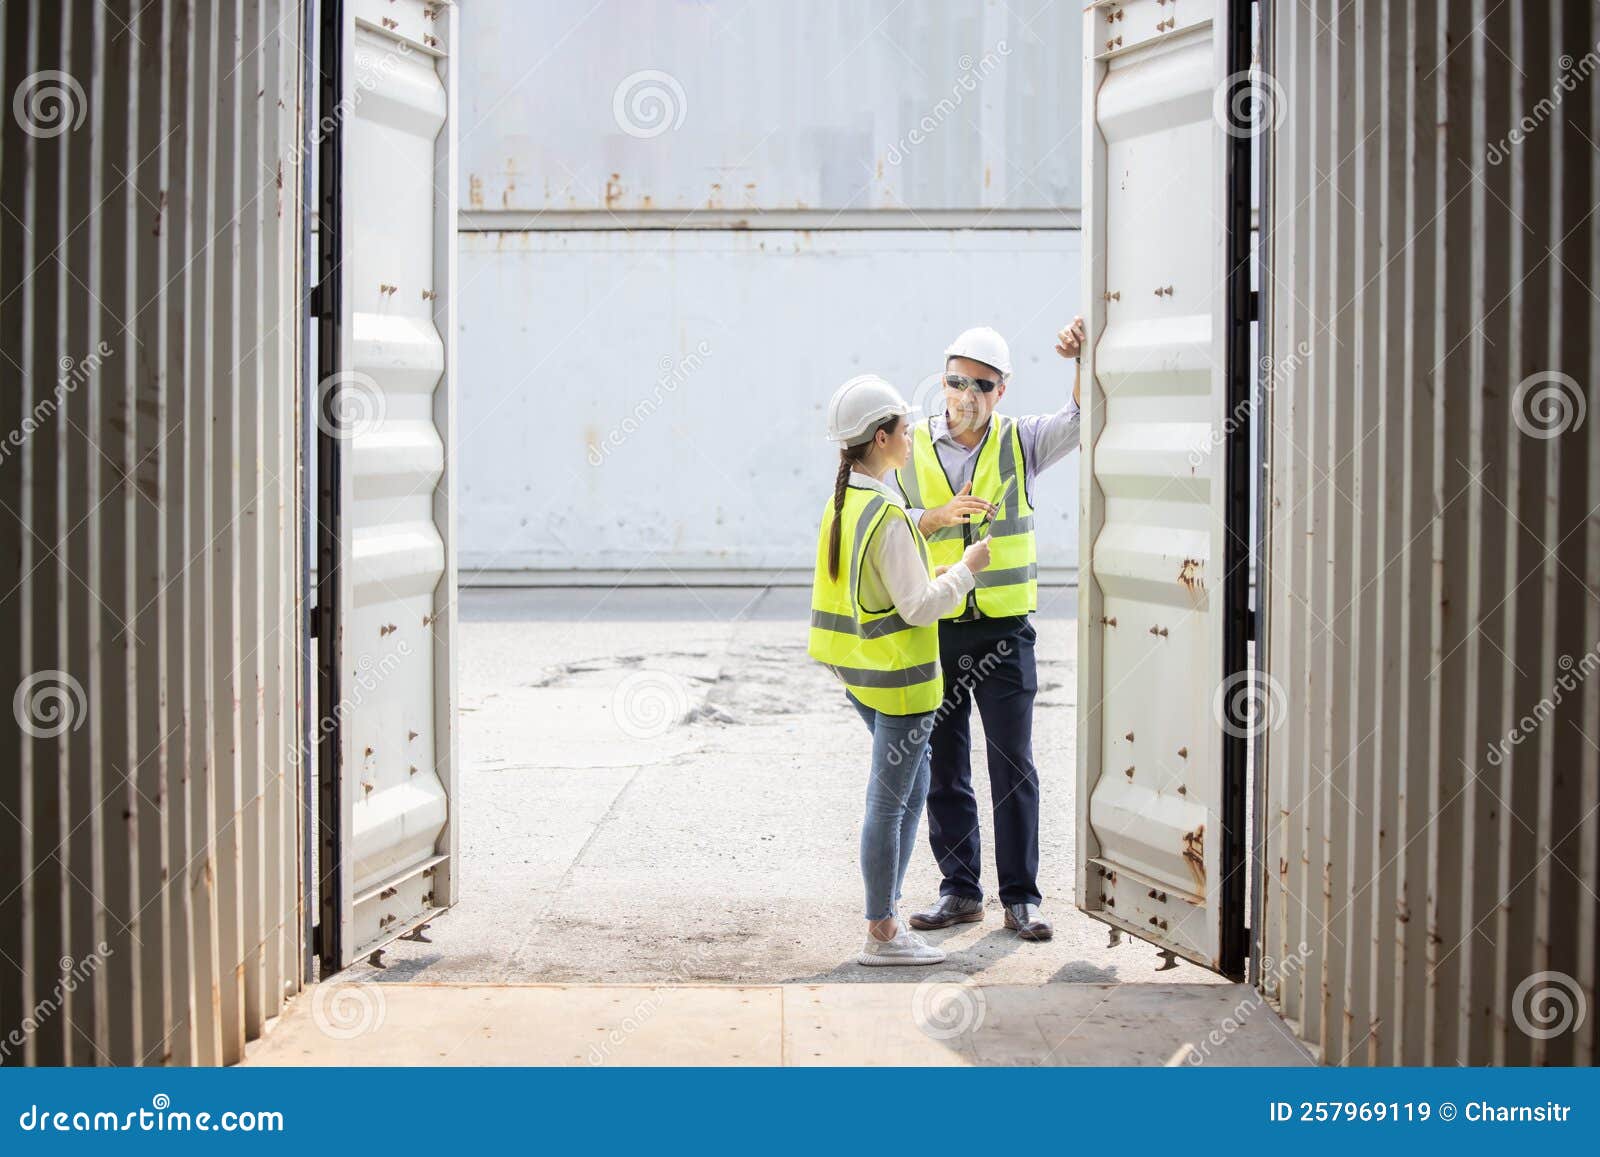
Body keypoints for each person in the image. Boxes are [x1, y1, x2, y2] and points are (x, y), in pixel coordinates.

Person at [898, 318, 1086, 942]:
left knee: (1013, 765)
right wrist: (935, 516)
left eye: (980, 384)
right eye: (955, 381)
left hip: (1004, 633)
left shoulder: (1021, 440)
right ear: (942, 383)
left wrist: (1083, 356)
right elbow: (885, 519)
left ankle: (1021, 898)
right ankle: (959, 891)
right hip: (939, 627)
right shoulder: (912, 443)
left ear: (1000, 390)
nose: (965, 394)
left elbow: (1080, 418)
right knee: (944, 765)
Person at [809, 374, 993, 966]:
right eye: (906, 430)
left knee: (911, 789)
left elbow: (882, 542)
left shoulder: (849, 499)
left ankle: (884, 915)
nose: (913, 437)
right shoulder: (883, 513)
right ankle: (882, 932)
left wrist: (928, 521)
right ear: (883, 437)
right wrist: (968, 567)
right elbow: (918, 605)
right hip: (901, 685)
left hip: (861, 676)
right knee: (889, 804)